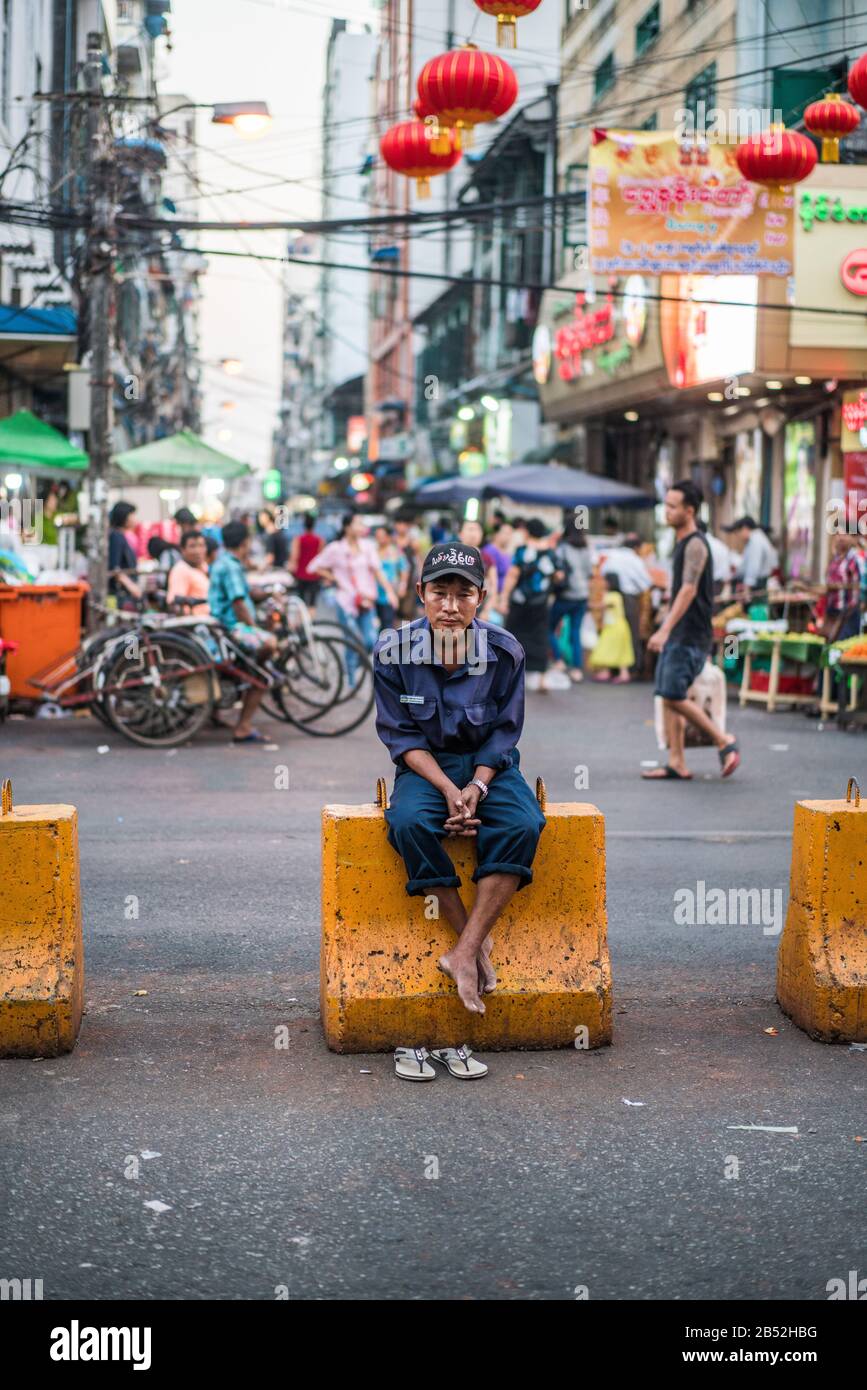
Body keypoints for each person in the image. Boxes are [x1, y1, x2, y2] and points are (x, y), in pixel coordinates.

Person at [373, 540, 546, 1020]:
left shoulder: (505, 652)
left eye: (463, 594)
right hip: (426, 767)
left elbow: (505, 733)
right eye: (439, 592)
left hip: (489, 768)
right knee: (407, 823)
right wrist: (450, 791)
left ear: (481, 598)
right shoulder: (393, 652)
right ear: (421, 594)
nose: (450, 606)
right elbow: (399, 736)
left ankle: (462, 952)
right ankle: (471, 943)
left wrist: (478, 786)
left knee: (523, 825)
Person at [642, 481, 740, 781]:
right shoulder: (682, 543)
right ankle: (676, 762)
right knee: (668, 693)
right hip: (679, 632)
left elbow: (688, 589)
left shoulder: (696, 543)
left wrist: (665, 629)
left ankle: (724, 741)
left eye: (673, 507)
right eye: (666, 505)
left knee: (672, 694)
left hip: (689, 633)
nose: (667, 511)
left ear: (690, 510)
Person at [208, 520, 278, 744]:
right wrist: (255, 630)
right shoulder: (230, 566)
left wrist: (268, 594)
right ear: (244, 543)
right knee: (268, 652)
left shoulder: (226, 562)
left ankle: (248, 671)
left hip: (224, 626)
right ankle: (243, 726)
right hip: (230, 628)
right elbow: (238, 602)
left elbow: (246, 594)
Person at [307, 512, 398, 680]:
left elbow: (378, 571)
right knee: (351, 641)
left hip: (366, 601)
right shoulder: (335, 548)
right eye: (357, 523)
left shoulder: (368, 547)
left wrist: (390, 592)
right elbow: (313, 567)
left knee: (370, 641)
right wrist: (334, 578)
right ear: (347, 527)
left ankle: (353, 667)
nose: (361, 527)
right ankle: (350, 682)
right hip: (345, 601)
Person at [498, 518, 558, 691]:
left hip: (520, 600)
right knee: (540, 637)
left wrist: (504, 597)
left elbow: (512, 575)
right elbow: (559, 575)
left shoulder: (522, 550)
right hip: (541, 602)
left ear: (527, 532)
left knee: (513, 636)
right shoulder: (550, 553)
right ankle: (542, 679)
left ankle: (509, 676)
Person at [550, 518, 593, 682]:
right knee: (575, 632)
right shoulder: (586, 548)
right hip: (582, 596)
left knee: (549, 627)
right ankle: (577, 669)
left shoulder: (563, 548)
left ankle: (558, 660)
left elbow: (558, 570)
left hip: (566, 595)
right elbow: (590, 571)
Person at [601, 533, 650, 672]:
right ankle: (631, 667)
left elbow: (604, 573)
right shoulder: (634, 559)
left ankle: (613, 667)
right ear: (636, 547)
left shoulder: (612, 556)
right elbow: (646, 582)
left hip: (611, 596)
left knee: (611, 632)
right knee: (630, 632)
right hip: (629, 599)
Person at [587, 574, 635, 683]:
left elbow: (605, 606)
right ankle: (623, 673)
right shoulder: (618, 595)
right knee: (622, 650)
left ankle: (606, 671)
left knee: (605, 647)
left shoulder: (612, 595)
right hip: (621, 626)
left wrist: (590, 605)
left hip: (614, 627)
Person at [723, 516, 779, 596]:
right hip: (757, 583)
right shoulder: (754, 539)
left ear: (745, 529)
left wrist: (747, 589)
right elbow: (744, 566)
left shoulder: (755, 541)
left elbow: (753, 566)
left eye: (738, 532)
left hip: (757, 585)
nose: (738, 536)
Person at [374, 522, 410, 629]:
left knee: (387, 622)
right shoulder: (373, 552)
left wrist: (403, 585)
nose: (379, 539)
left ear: (389, 537)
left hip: (389, 594)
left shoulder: (395, 552)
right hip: (374, 593)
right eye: (377, 536)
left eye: (382, 536)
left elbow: (404, 568)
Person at [167, 529, 210, 613]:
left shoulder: (203, 566)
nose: (198, 551)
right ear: (183, 549)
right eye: (192, 546)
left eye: (201, 546)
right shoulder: (181, 570)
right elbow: (174, 604)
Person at [108, 502, 142, 606]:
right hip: (121, 594)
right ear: (124, 517)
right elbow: (115, 567)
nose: (135, 518)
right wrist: (131, 586)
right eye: (132, 514)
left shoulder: (119, 535)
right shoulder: (116, 536)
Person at [289, 512, 324, 609]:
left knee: (301, 601)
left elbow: (294, 556)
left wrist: (291, 568)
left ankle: (302, 622)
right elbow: (321, 558)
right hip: (314, 575)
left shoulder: (298, 539)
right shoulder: (319, 540)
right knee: (312, 602)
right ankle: (311, 622)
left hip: (301, 574)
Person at [458, 519, 498, 594]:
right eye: (470, 529)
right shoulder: (453, 554)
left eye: (477, 530)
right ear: (460, 534)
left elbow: (493, 584)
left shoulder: (487, 557)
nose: (474, 534)